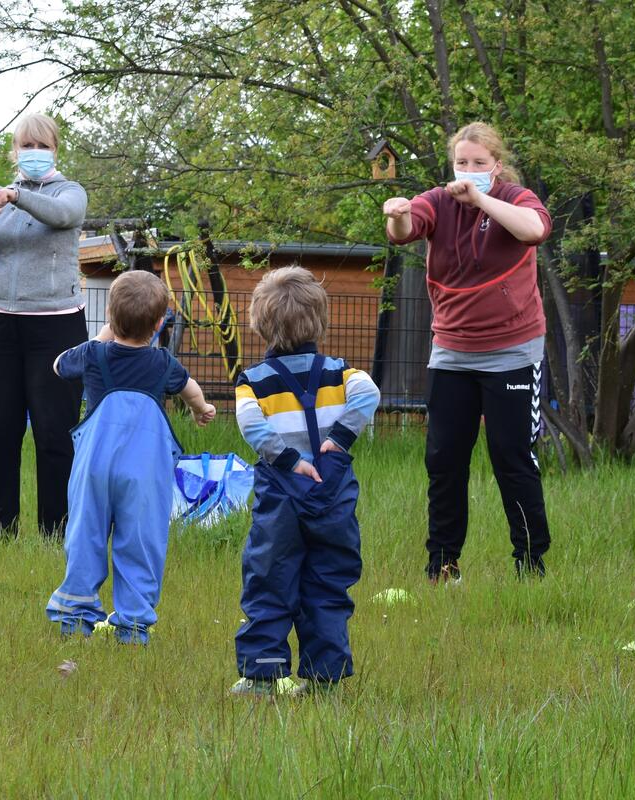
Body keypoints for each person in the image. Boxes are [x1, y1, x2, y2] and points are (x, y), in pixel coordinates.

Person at [382, 121, 552, 583]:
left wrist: (481, 199)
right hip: (452, 352)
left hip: (513, 353)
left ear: (496, 166)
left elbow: (535, 229)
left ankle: (530, 564)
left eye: (479, 163)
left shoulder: (515, 199)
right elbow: (406, 228)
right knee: (444, 460)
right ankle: (442, 565)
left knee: (512, 459)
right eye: (462, 163)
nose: (469, 170)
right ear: (451, 164)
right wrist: (396, 212)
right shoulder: (437, 200)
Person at [229, 267, 380, 698]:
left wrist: (290, 460)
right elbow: (370, 395)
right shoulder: (342, 373)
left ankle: (261, 676)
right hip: (332, 492)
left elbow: (250, 424)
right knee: (328, 581)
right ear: (321, 319)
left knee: (270, 578)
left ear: (260, 323)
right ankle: (325, 678)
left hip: (281, 495)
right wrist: (338, 440)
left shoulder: (254, 382)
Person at [44, 271, 215, 644]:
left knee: (85, 537)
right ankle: (134, 627)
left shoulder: (93, 355)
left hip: (94, 469)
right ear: (158, 324)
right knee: (141, 543)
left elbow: (58, 365)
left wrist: (104, 334)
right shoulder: (163, 364)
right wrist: (201, 409)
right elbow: (190, 389)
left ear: (109, 314)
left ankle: (74, 618)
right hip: (144, 474)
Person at [0, 112, 88, 537]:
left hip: (57, 328)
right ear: (15, 151)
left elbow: (62, 216)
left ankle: (57, 533)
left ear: (55, 151)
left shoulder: (70, 192)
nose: (34, 154)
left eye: (42, 146)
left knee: (54, 435)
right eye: (27, 146)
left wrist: (15, 196)